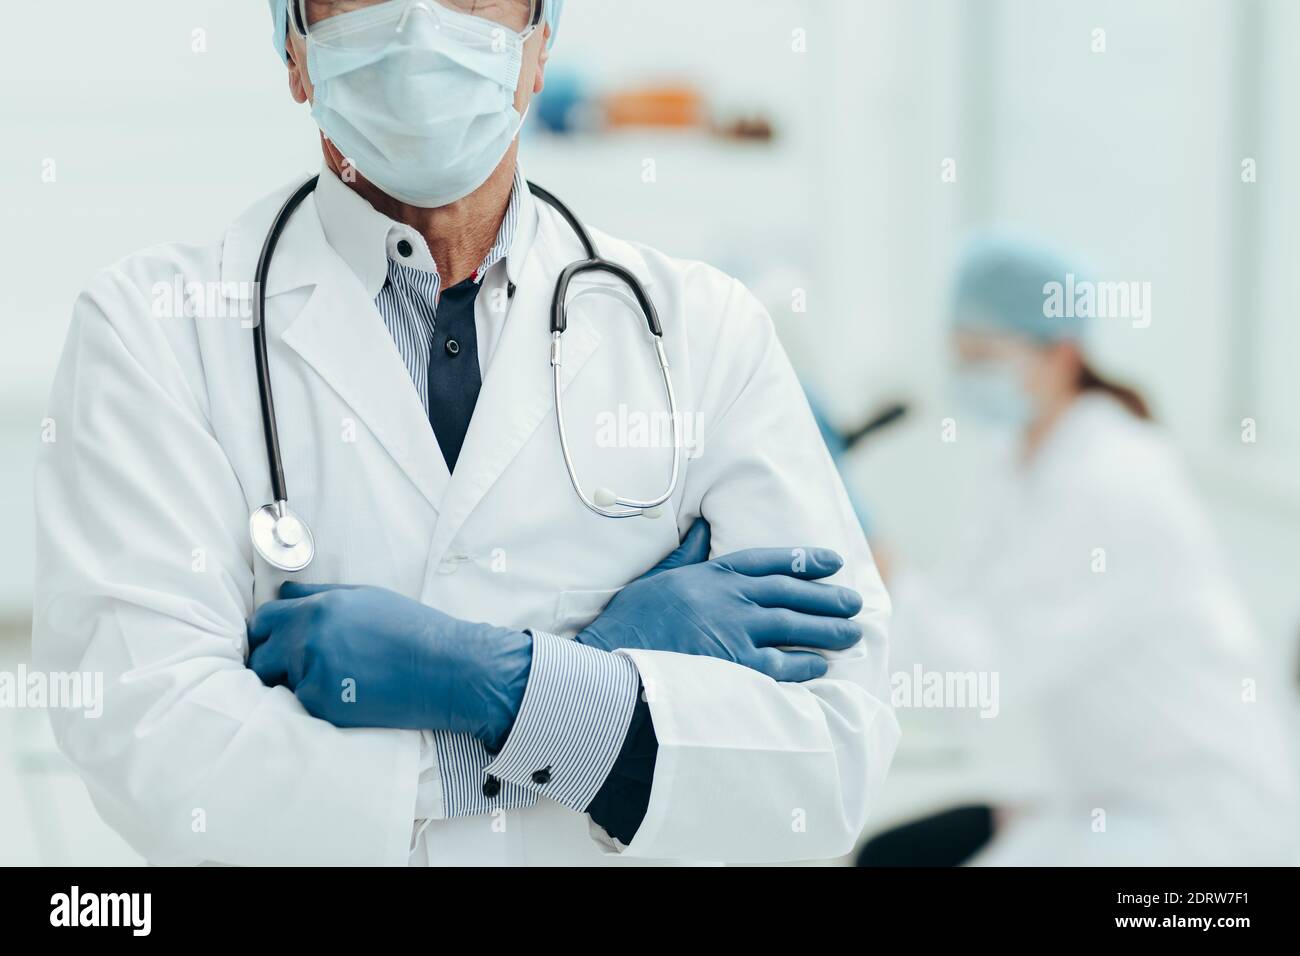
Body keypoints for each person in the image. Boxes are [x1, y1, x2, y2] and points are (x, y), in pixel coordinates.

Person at [31, 0, 897, 866]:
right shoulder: (155, 330)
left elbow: (826, 763)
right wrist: (583, 689)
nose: (418, 28)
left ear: (541, 42)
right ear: (293, 47)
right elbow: (161, 751)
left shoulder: (706, 333)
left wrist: (492, 681)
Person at [860, 235, 1297, 866]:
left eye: (985, 357)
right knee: (887, 856)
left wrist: (883, 567)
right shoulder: (1020, 463)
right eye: (960, 357)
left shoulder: (1111, 478)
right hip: (1103, 797)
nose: (968, 377)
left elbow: (981, 683)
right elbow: (957, 616)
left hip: (1203, 824)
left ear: (1061, 354)